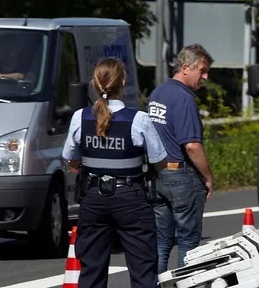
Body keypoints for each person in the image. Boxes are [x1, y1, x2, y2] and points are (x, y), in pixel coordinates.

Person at [62, 58, 168, 288]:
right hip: (131, 198)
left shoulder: (80, 117)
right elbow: (160, 161)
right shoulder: (138, 119)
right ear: (123, 81)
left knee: (91, 270)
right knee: (143, 270)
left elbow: (71, 158)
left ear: (94, 83)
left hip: (92, 198)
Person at [148, 44, 215, 271]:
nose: (205, 77)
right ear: (186, 68)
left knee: (161, 241)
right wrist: (207, 177)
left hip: (158, 175)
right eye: (202, 70)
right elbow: (192, 146)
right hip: (182, 176)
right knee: (188, 242)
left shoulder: (157, 93)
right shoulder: (184, 99)